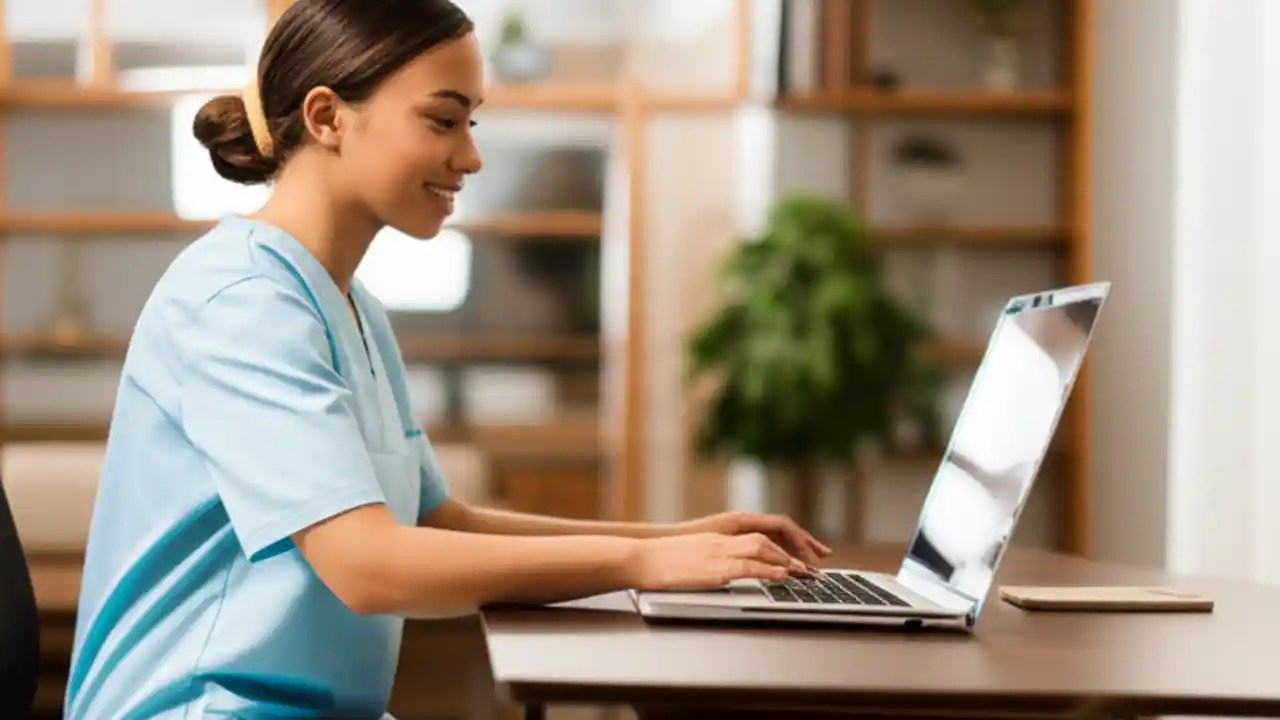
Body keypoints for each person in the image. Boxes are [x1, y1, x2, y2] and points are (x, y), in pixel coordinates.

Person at [64, 2, 830, 718]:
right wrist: (637, 563)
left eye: (471, 124)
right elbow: (367, 567)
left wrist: (678, 540)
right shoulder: (240, 300)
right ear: (328, 117)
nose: (470, 157)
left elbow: (437, 519)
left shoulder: (349, 304)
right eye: (443, 121)